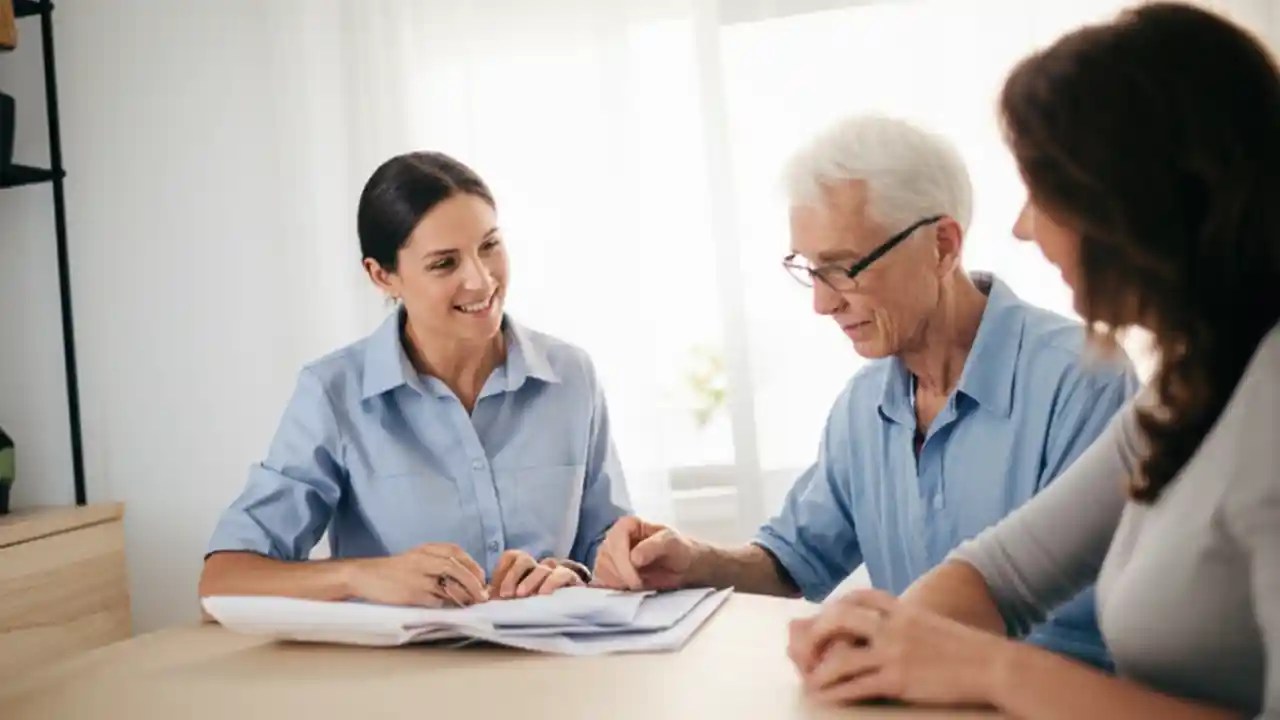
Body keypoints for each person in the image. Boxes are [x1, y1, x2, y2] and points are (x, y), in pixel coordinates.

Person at [788, 4, 1280, 717]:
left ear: (1136, 203)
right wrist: (885, 640)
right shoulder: (1190, 390)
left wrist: (991, 671)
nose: (1022, 227)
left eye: (1043, 194)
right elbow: (1004, 573)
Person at [593, 115, 1138, 667]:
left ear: (942, 246)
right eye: (810, 270)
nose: (822, 304)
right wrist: (695, 561)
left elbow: (1081, 638)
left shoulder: (1083, 381)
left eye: (843, 268)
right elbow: (792, 562)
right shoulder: (863, 404)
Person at [199, 152, 631, 609]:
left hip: (551, 665)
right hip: (399, 675)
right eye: (445, 264)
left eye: (489, 246)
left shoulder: (571, 377)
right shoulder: (333, 394)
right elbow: (223, 579)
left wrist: (576, 573)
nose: (481, 280)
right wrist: (361, 576)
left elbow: (608, 550)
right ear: (382, 276)